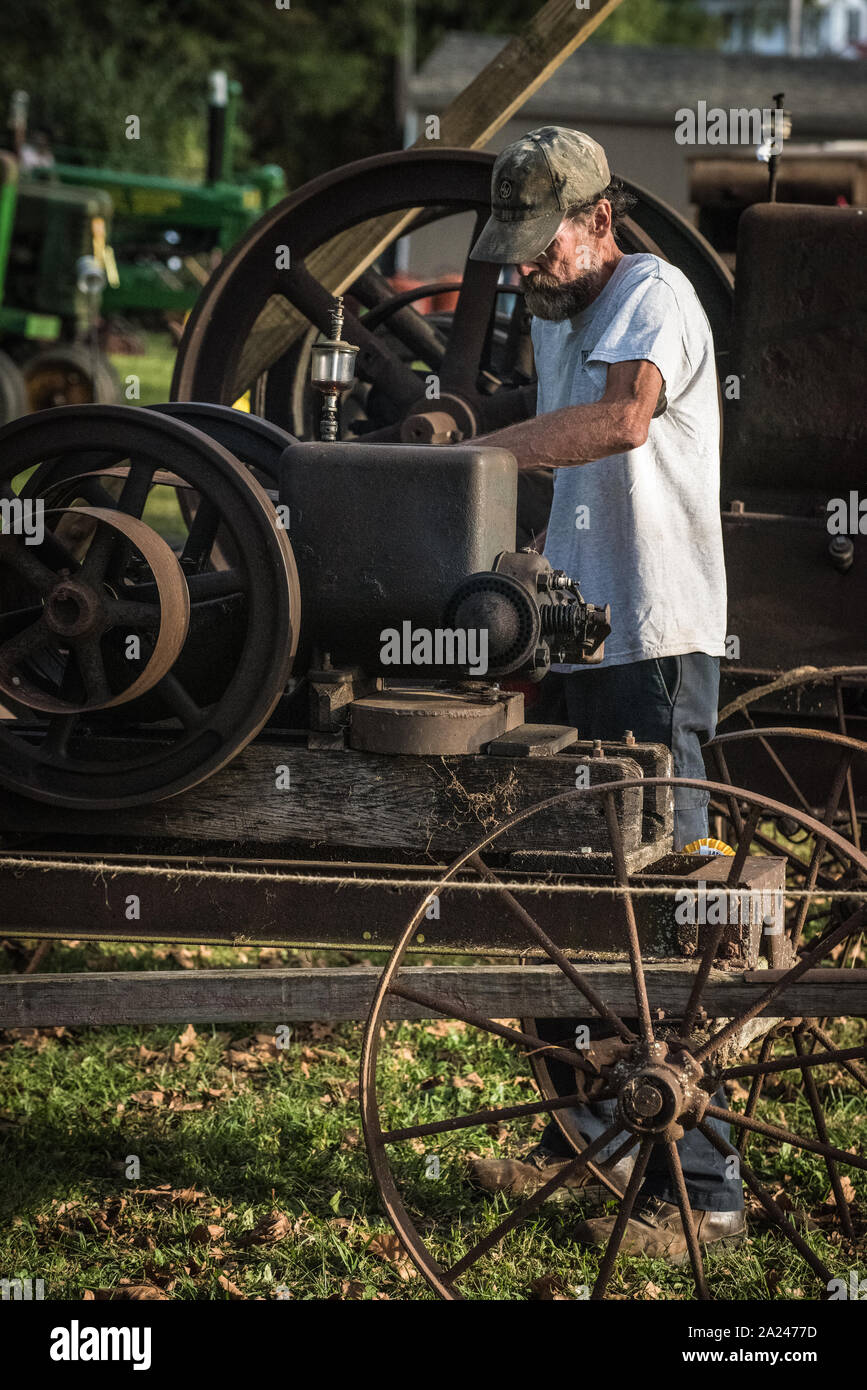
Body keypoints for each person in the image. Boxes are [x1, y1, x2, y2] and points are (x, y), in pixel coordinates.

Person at [466, 126, 744, 1260]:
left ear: (599, 219)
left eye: (543, 244)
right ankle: (590, 1139)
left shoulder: (653, 293)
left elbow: (624, 421)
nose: (526, 266)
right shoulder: (560, 313)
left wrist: (475, 453)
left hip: (659, 645)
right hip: (588, 644)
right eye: (516, 249)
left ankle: (709, 1193)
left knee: (669, 924)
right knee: (583, 909)